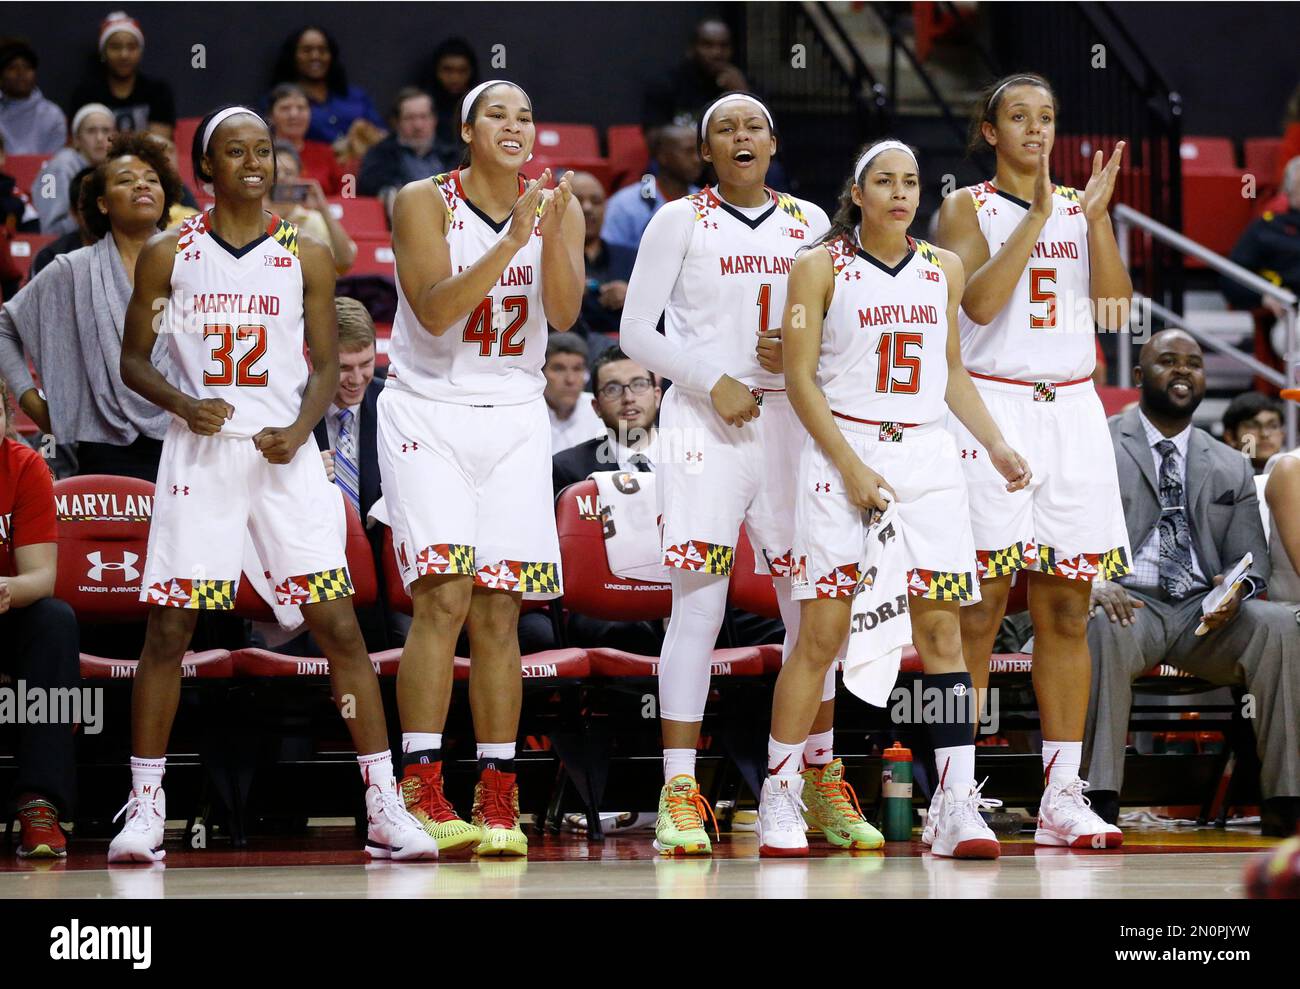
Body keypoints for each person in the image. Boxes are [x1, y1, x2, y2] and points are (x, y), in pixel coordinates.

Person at [109, 104, 435, 862]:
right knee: (168, 629)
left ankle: (383, 802)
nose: (255, 161)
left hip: (284, 456)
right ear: (205, 169)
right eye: (236, 150)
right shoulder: (169, 254)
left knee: (341, 626)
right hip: (201, 452)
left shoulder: (307, 256)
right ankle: (147, 804)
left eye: (264, 150)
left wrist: (300, 427)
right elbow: (133, 359)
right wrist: (184, 403)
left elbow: (327, 367)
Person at [764, 140, 1030, 857]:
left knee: (944, 634)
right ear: (857, 190)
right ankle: (780, 795)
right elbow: (798, 379)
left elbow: (950, 371)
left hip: (928, 457)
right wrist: (849, 466)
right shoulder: (817, 265)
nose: (900, 192)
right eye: (884, 180)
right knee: (820, 634)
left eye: (911, 181)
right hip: (843, 451)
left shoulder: (944, 268)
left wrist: (996, 442)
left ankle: (955, 802)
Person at [619, 92, 830, 856]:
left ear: (773, 142)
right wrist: (715, 379)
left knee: (813, 612)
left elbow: (841, 323)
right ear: (706, 151)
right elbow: (634, 330)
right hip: (703, 423)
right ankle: (680, 790)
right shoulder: (678, 219)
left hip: (791, 423)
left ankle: (815, 781)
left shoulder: (811, 222)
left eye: (753, 128)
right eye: (724, 131)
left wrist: (803, 350)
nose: (740, 138)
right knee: (698, 607)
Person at [381, 80, 582, 857]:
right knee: (444, 597)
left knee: (501, 609)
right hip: (429, 410)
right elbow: (434, 310)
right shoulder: (421, 199)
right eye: (497, 113)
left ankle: (498, 791)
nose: (514, 124)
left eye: (526, 114)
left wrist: (554, 227)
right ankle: (420, 786)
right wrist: (511, 239)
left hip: (515, 413)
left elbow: (563, 315)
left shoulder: (552, 204)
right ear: (467, 130)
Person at [936, 72, 1132, 848]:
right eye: (1018, 116)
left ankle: (1061, 791)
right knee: (978, 610)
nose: (1036, 129)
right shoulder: (966, 206)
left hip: (1076, 409)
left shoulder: (1080, 212)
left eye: (1047, 117)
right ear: (990, 131)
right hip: (994, 408)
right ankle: (955, 793)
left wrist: (1097, 218)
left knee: (1066, 610)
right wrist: (1042, 218)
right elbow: (976, 305)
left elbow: (1114, 308)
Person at [1084, 330, 1300, 838]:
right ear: (1139, 376)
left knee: (1282, 626)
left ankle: (1287, 803)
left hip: (1203, 613)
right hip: (1127, 602)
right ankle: (1097, 800)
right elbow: (1065, 525)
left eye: (1194, 363)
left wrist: (1236, 590)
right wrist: (1092, 580)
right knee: (1103, 627)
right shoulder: (1099, 440)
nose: (1182, 371)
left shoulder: (1229, 462)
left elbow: (1252, 560)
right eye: (1167, 362)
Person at [0, 131, 180, 481]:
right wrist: (30, 402)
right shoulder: (73, 268)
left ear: (165, 193)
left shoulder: (196, 262)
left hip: (188, 442)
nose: (141, 186)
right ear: (102, 203)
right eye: (126, 180)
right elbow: (4, 328)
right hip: (101, 450)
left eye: (152, 180)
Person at [0, 376, 81, 858]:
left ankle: (40, 803)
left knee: (54, 619)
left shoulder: (24, 465)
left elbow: (40, 578)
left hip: (6, 610)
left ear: (8, 419)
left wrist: (8, 588)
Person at [552, 346, 659, 493]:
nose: (628, 398)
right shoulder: (567, 470)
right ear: (597, 407)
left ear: (657, 396)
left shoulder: (693, 457)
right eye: (613, 389)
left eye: (639, 384)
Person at [269, 26, 384, 151]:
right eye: (307, 50)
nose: (315, 56)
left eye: (322, 50)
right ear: (293, 56)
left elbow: (383, 135)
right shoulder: (280, 99)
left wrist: (366, 132)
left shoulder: (356, 97)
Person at [68, 11, 175, 139]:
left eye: (131, 47)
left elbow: (160, 145)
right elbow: (78, 144)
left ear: (140, 52)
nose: (124, 55)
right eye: (115, 47)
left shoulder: (158, 92)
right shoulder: (85, 94)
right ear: (103, 52)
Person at [601, 124, 702, 254]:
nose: (697, 159)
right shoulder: (625, 204)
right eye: (688, 152)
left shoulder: (707, 202)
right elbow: (610, 258)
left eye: (698, 152)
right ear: (663, 157)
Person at [642, 19, 750, 133]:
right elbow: (654, 138)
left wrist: (742, 95)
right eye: (708, 45)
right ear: (692, 49)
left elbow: (762, 135)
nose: (717, 53)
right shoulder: (667, 84)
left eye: (724, 46)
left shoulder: (740, 82)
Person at [267, 142, 355, 275]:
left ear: (299, 177)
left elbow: (345, 262)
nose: (281, 178)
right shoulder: (253, 218)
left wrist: (324, 209)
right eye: (275, 172)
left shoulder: (314, 219)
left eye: (289, 173)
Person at [570, 171, 636, 344]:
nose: (587, 208)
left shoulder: (632, 257)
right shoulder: (546, 257)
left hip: (626, 352)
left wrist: (634, 297)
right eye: (577, 200)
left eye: (596, 201)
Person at [358, 88, 451, 207]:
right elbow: (368, 187)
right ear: (396, 122)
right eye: (409, 118)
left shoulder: (451, 154)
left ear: (434, 120)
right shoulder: (380, 155)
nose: (418, 125)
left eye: (424, 117)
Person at [34, 103, 114, 235]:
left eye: (106, 130)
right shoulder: (59, 167)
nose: (100, 138)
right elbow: (51, 229)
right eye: (91, 131)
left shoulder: (118, 166)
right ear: (76, 139)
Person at [267, 83, 345, 196]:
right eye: (285, 108)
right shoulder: (262, 153)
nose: (294, 114)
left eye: (301, 108)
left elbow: (345, 195)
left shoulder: (326, 153)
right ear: (271, 116)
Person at [0, 38, 67, 156]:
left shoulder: (53, 115)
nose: (21, 73)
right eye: (12, 67)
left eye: (27, 67)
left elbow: (55, 163)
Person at [545, 331, 605, 453]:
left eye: (577, 369)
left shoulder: (601, 410)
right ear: (540, 374)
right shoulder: (526, 413)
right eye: (558, 369)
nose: (570, 380)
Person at [31, 166, 96, 275]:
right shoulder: (51, 257)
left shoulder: (127, 250)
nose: (99, 214)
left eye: (104, 206)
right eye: (90, 209)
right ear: (74, 213)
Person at [419, 37, 478, 152]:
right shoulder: (422, 107)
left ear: (471, 72)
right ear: (435, 70)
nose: (455, 78)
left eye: (462, 71)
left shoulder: (481, 106)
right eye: (448, 70)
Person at [1221, 391, 1284, 474]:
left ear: (1283, 434)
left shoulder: (1295, 475)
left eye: (1273, 426)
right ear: (1230, 437)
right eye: (1253, 426)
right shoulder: (1219, 479)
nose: (1265, 434)